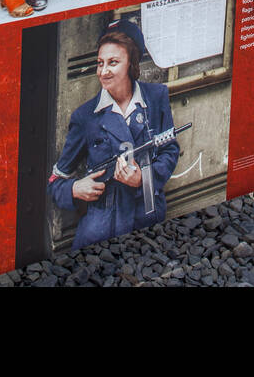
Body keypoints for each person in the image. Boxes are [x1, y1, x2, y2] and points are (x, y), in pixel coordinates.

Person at [48, 21, 180, 251]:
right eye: (100, 63)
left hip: (147, 214)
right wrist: (74, 189)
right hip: (102, 226)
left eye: (113, 62)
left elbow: (170, 150)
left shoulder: (156, 98)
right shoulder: (86, 116)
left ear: (131, 63)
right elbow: (54, 182)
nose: (103, 71)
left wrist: (143, 179)